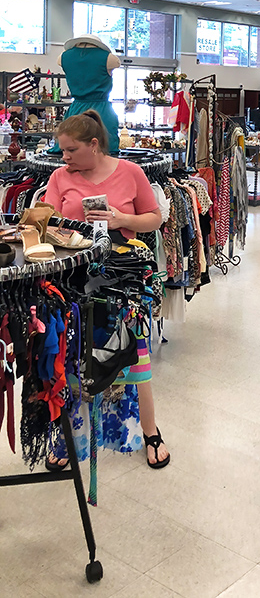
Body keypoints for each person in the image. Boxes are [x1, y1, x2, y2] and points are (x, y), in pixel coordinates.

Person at [44, 110, 170, 469]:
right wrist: (66, 227)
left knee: (135, 358)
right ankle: (69, 434)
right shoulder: (58, 177)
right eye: (62, 150)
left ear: (94, 145)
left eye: (70, 150)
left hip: (122, 281)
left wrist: (121, 219)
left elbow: (155, 217)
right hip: (73, 281)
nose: (64, 157)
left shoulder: (131, 172)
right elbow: (45, 222)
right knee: (73, 360)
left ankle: (150, 432)